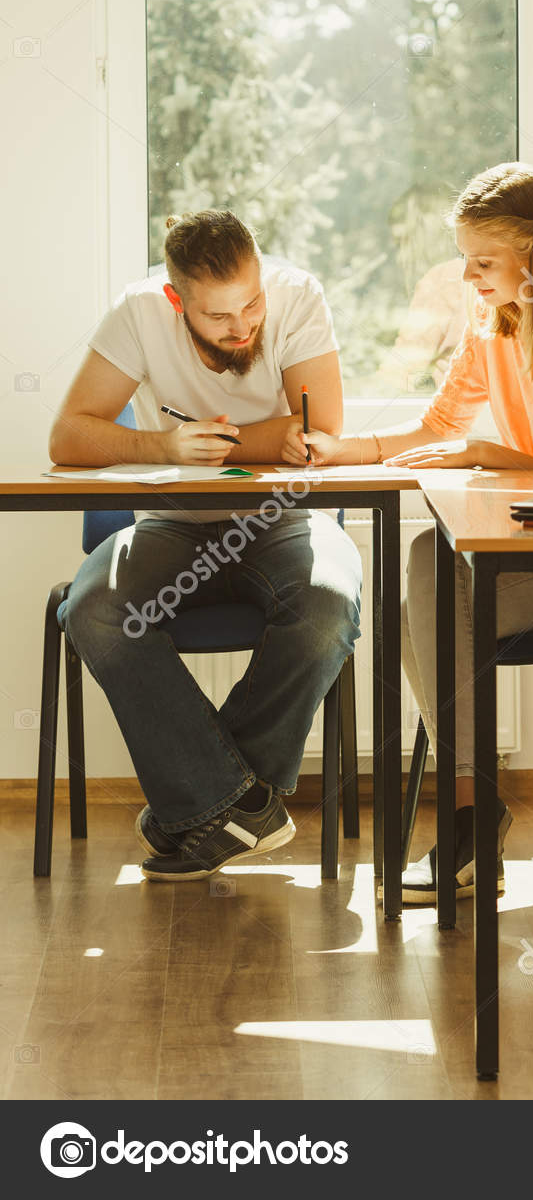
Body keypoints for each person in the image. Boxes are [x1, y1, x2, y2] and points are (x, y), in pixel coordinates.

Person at [283, 162, 533, 904]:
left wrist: (492, 455)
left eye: (483, 260)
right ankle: (473, 821)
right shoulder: (494, 323)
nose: (467, 276)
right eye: (466, 259)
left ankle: (471, 826)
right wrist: (341, 450)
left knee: (432, 616)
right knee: (426, 564)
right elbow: (439, 428)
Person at [52, 210, 362, 881]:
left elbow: (319, 432)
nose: (242, 326)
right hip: (173, 524)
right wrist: (161, 446)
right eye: (218, 317)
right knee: (93, 612)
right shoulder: (138, 311)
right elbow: (69, 438)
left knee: (328, 607)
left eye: (251, 304)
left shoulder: (298, 295)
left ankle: (194, 811)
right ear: (176, 300)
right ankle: (243, 804)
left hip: (286, 521)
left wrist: (236, 446)